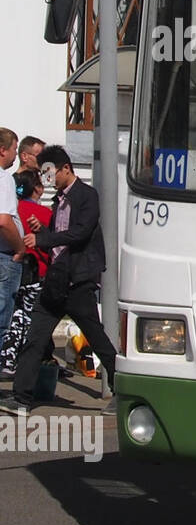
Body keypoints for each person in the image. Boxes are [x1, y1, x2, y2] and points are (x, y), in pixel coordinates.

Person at [4, 146, 117, 413]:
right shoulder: (58, 202)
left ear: (65, 168)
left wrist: (43, 237)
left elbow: (79, 234)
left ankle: (122, 391)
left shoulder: (86, 196)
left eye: (49, 172)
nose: (47, 179)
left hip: (78, 282)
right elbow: (58, 242)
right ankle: (21, 398)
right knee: (35, 337)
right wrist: (42, 231)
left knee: (97, 338)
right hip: (55, 282)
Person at [0, 169, 52, 378]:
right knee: (25, 318)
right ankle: (18, 361)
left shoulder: (15, 208)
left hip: (14, 264)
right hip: (31, 270)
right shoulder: (43, 214)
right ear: (37, 189)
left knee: (11, 316)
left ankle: (7, 359)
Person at [0, 129, 25, 343]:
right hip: (4, 255)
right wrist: (20, 248)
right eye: (14, 149)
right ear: (2, 151)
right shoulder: (3, 179)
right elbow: (4, 221)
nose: (15, 155)